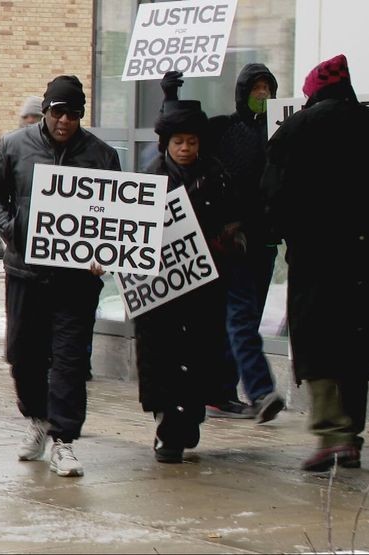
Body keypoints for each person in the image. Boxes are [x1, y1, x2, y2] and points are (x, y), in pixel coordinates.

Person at [261, 54, 369, 471]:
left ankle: (332, 434)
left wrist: (288, 233)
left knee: (317, 339)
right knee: (356, 337)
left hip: (314, 257)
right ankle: (352, 438)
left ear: (313, 92)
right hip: (364, 258)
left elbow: (272, 196)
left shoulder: (294, 130)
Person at [0, 75, 118, 477]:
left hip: (76, 281)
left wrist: (105, 252)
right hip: (26, 272)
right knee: (24, 356)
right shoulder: (14, 145)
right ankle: (37, 420)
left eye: (73, 114)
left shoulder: (102, 155)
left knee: (70, 361)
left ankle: (65, 440)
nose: (65, 121)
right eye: (59, 112)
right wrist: (10, 230)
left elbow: (114, 215)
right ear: (46, 111)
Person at [136, 97, 241, 464]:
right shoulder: (150, 180)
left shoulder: (217, 177)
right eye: (179, 142)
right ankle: (168, 427)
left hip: (204, 286)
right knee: (162, 357)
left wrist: (228, 240)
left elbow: (233, 222)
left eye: (192, 142)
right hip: (160, 290)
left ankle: (189, 415)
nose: (185, 149)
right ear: (166, 143)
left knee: (199, 354)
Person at [199, 64, 287, 422]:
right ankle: (260, 389)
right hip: (233, 242)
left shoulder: (280, 133)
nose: (263, 95)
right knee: (241, 316)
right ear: (243, 92)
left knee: (241, 317)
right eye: (257, 88)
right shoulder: (223, 129)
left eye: (268, 88)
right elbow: (178, 136)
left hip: (264, 241)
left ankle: (219, 392)